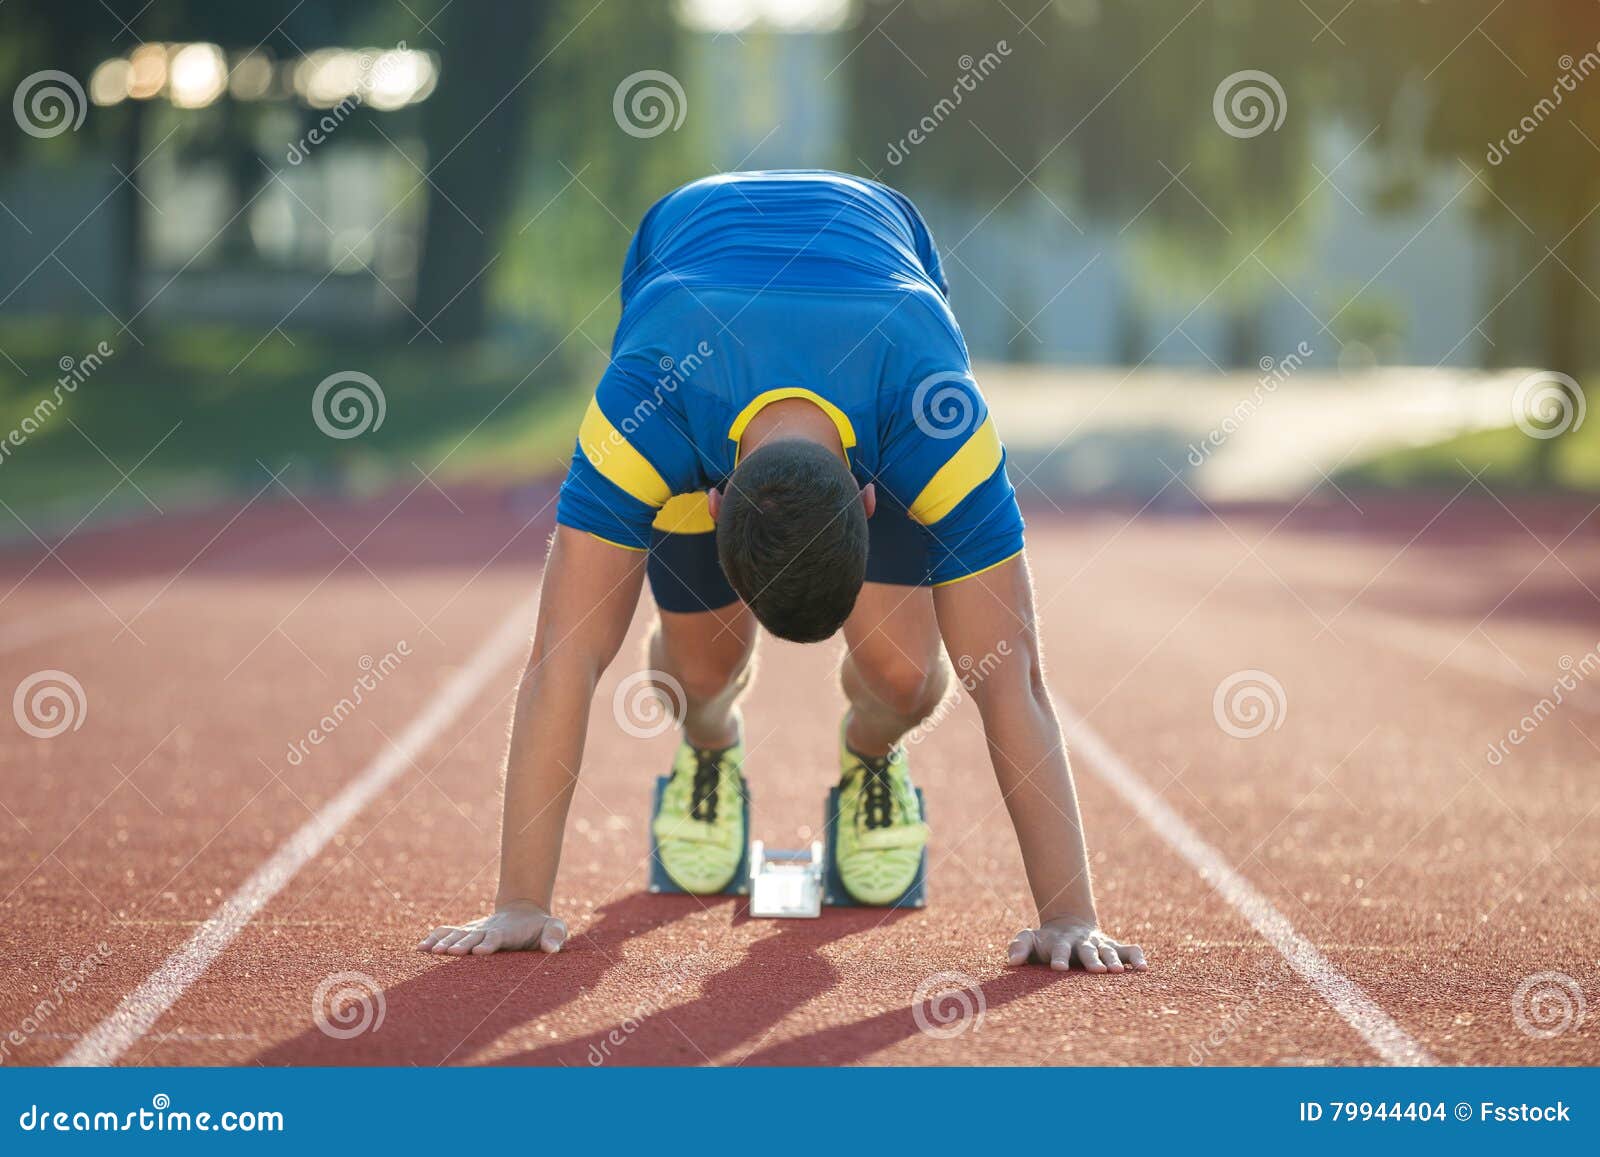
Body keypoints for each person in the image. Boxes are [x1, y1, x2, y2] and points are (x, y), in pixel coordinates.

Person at [419, 170, 1145, 974]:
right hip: (687, 266)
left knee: (905, 676)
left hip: (878, 282)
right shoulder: (647, 409)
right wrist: (521, 901)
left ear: (873, 498)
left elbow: (1013, 677)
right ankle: (708, 741)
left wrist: (1069, 913)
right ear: (708, 501)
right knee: (703, 668)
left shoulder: (933, 415)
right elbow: (564, 653)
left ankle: (871, 753)